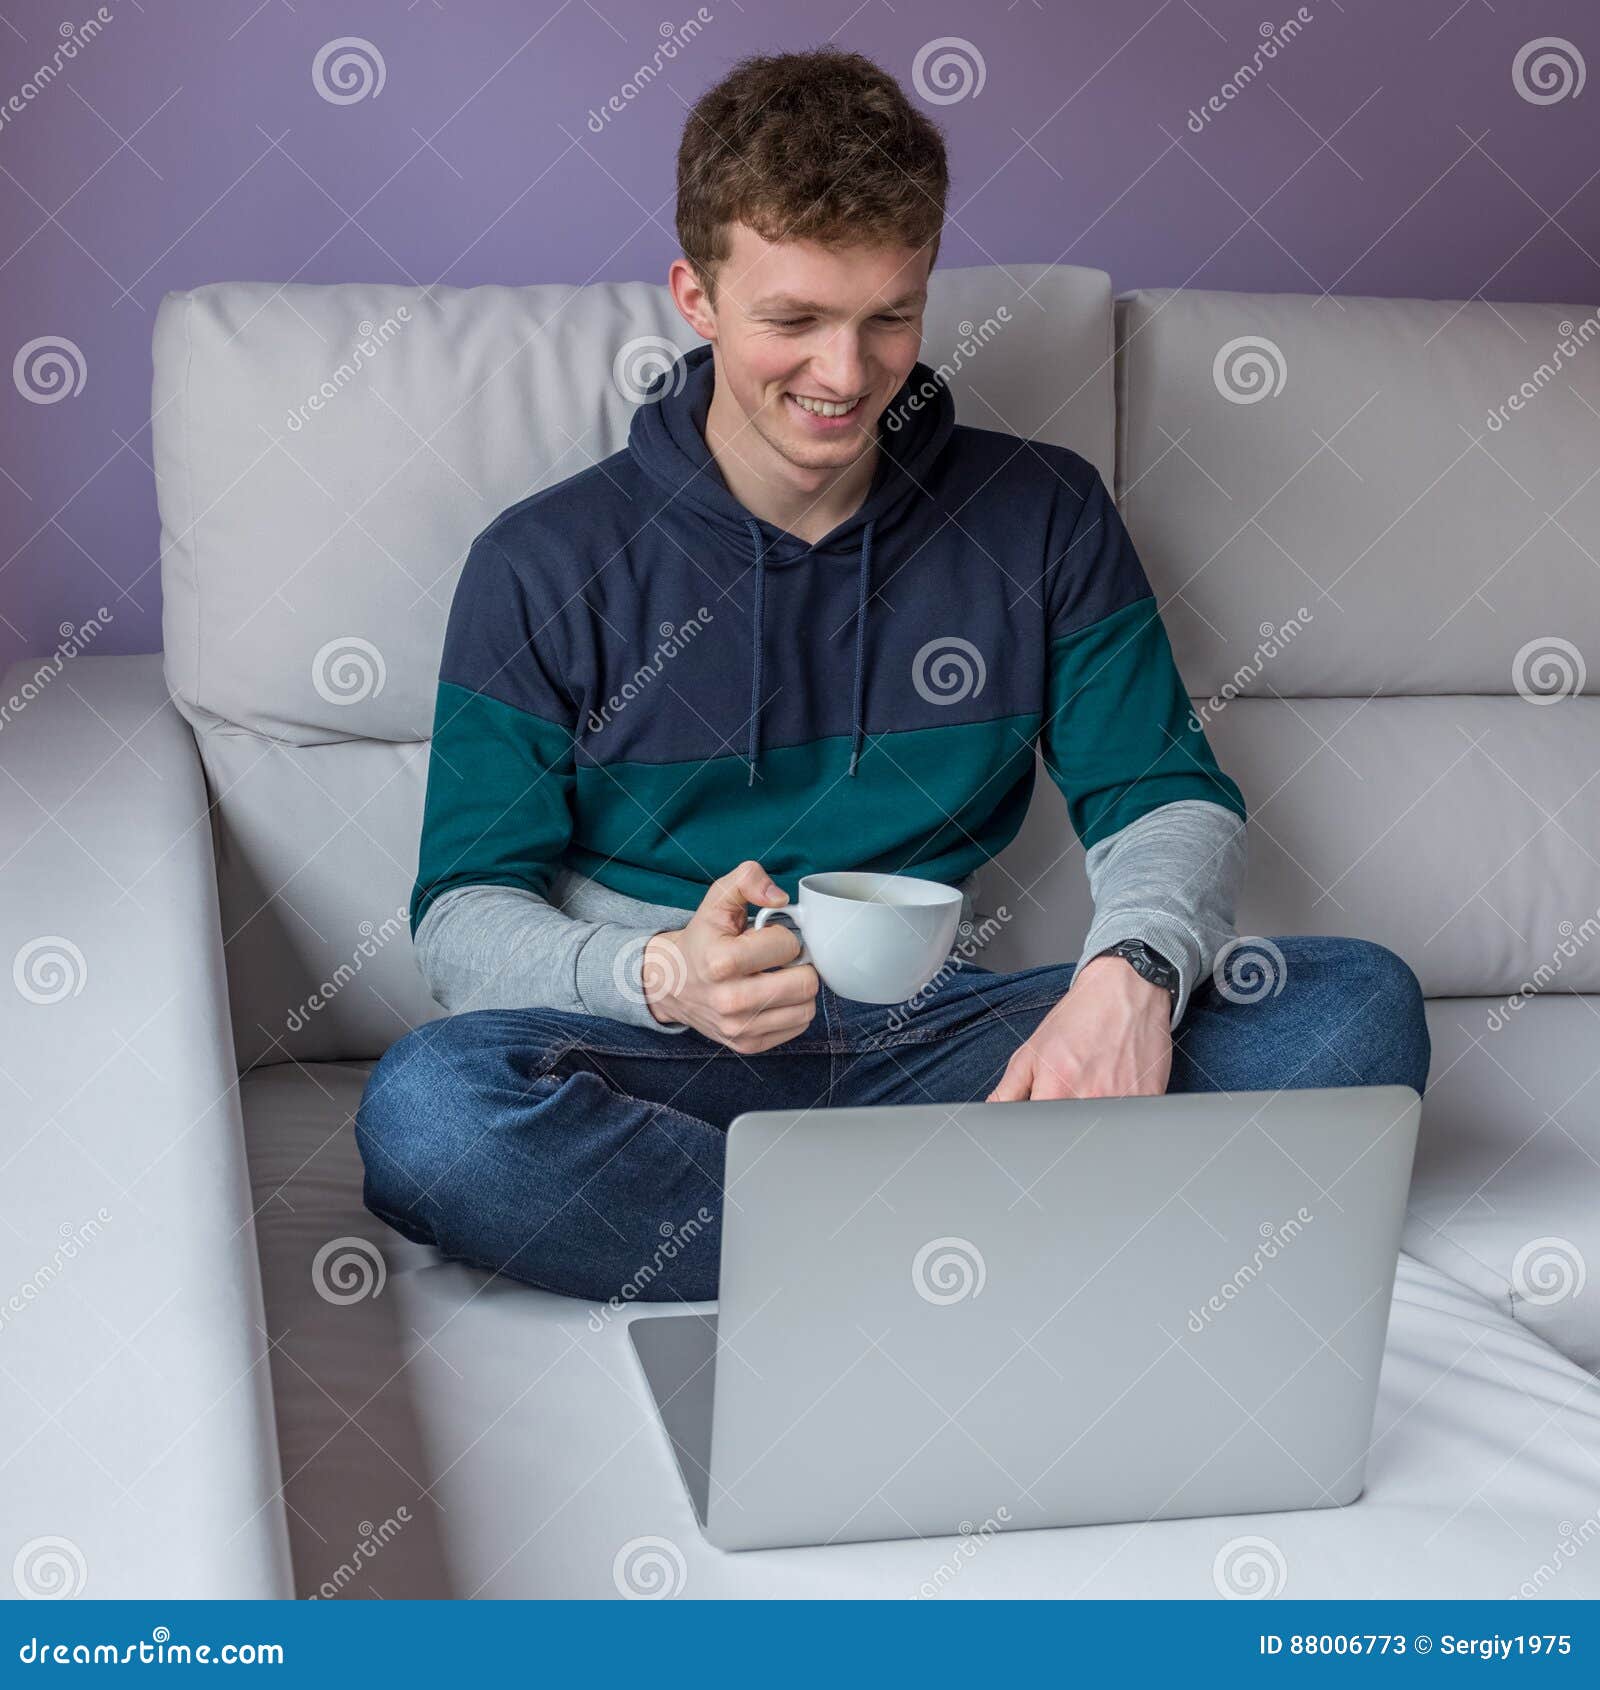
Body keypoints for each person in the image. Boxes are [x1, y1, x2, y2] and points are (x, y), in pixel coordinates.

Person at [355, 47, 1429, 1304]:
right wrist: (661, 979)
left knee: (1356, 1011)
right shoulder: (542, 561)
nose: (846, 376)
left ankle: (848, 1240)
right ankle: (964, 1236)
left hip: (945, 1042)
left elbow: (1161, 794)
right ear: (695, 297)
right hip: (669, 1054)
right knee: (433, 1116)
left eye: (888, 317)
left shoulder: (1042, 514)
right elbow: (463, 918)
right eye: (793, 320)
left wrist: (1129, 975)